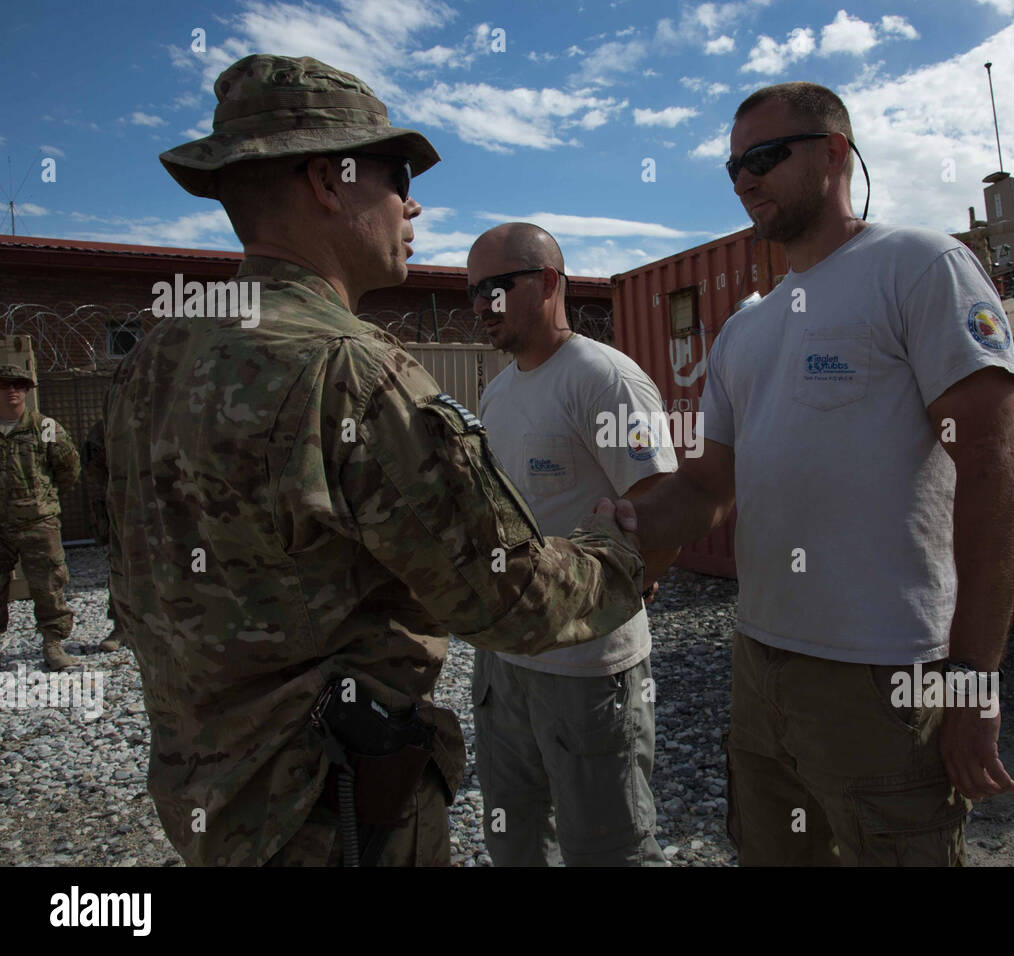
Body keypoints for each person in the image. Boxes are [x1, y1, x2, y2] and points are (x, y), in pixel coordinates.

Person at [104, 53, 646, 868]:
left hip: (211, 802)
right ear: (328, 180)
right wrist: (622, 550)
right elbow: (512, 599)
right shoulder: (350, 371)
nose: (413, 202)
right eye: (396, 175)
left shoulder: (155, 357)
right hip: (337, 812)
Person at [626, 82, 1014, 865]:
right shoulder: (747, 329)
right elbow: (707, 488)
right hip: (759, 666)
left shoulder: (918, 265)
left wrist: (974, 680)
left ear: (835, 153)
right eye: (733, 166)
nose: (744, 180)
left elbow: (992, 467)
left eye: (764, 158)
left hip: (884, 673)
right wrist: (628, 529)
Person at [467, 222, 679, 866]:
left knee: (606, 846)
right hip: (505, 664)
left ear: (550, 283)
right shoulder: (498, 392)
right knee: (516, 836)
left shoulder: (603, 379)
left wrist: (632, 589)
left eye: (497, 287)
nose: (481, 305)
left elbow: (661, 505)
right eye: (472, 291)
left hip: (587, 672)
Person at [0, 365, 81, 672]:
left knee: (48, 584)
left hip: (38, 521)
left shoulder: (44, 426)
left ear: (27, 390)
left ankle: (53, 642)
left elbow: (68, 467)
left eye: (19, 385)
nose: (12, 391)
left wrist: (44, 499)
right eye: (5, 385)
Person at [81, 419, 124, 652]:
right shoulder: (112, 420)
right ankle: (122, 627)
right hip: (127, 506)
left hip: (174, 506)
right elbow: (92, 462)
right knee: (122, 567)